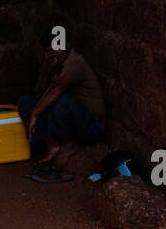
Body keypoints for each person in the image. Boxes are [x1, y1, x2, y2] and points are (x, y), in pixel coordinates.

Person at [17, 33, 106, 175]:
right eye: (49, 51)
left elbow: (57, 89)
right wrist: (46, 71)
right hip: (64, 119)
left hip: (91, 125)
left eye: (58, 48)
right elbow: (40, 95)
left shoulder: (75, 63)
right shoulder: (53, 64)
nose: (54, 54)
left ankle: (67, 144)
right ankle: (50, 142)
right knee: (25, 102)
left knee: (60, 100)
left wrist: (35, 114)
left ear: (68, 45)